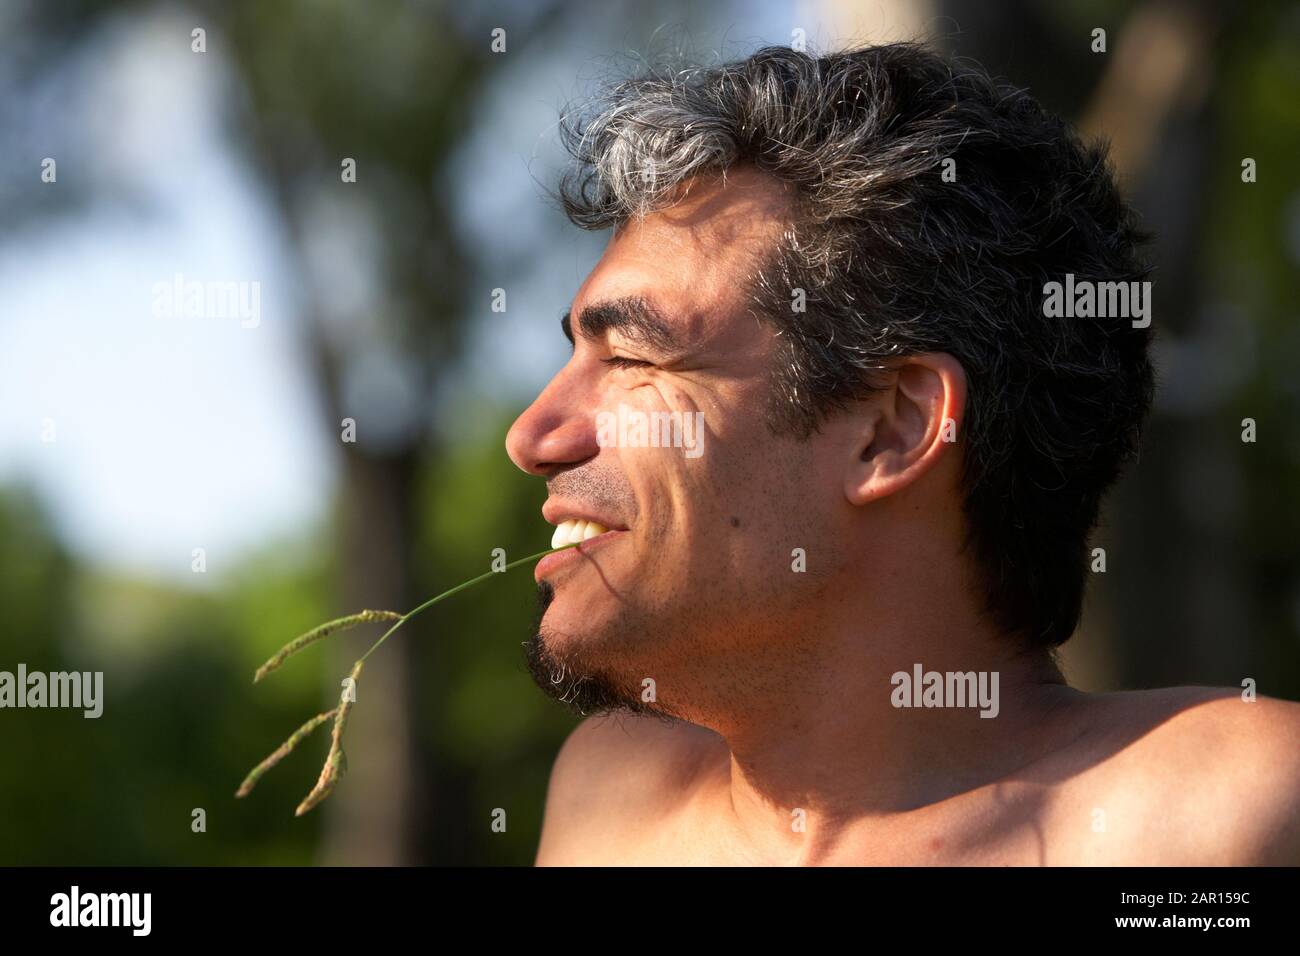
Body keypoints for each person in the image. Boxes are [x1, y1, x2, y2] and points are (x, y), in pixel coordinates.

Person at [504, 43, 1300, 865]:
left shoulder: (1236, 817)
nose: (532, 438)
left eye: (632, 358)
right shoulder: (608, 805)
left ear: (895, 429)